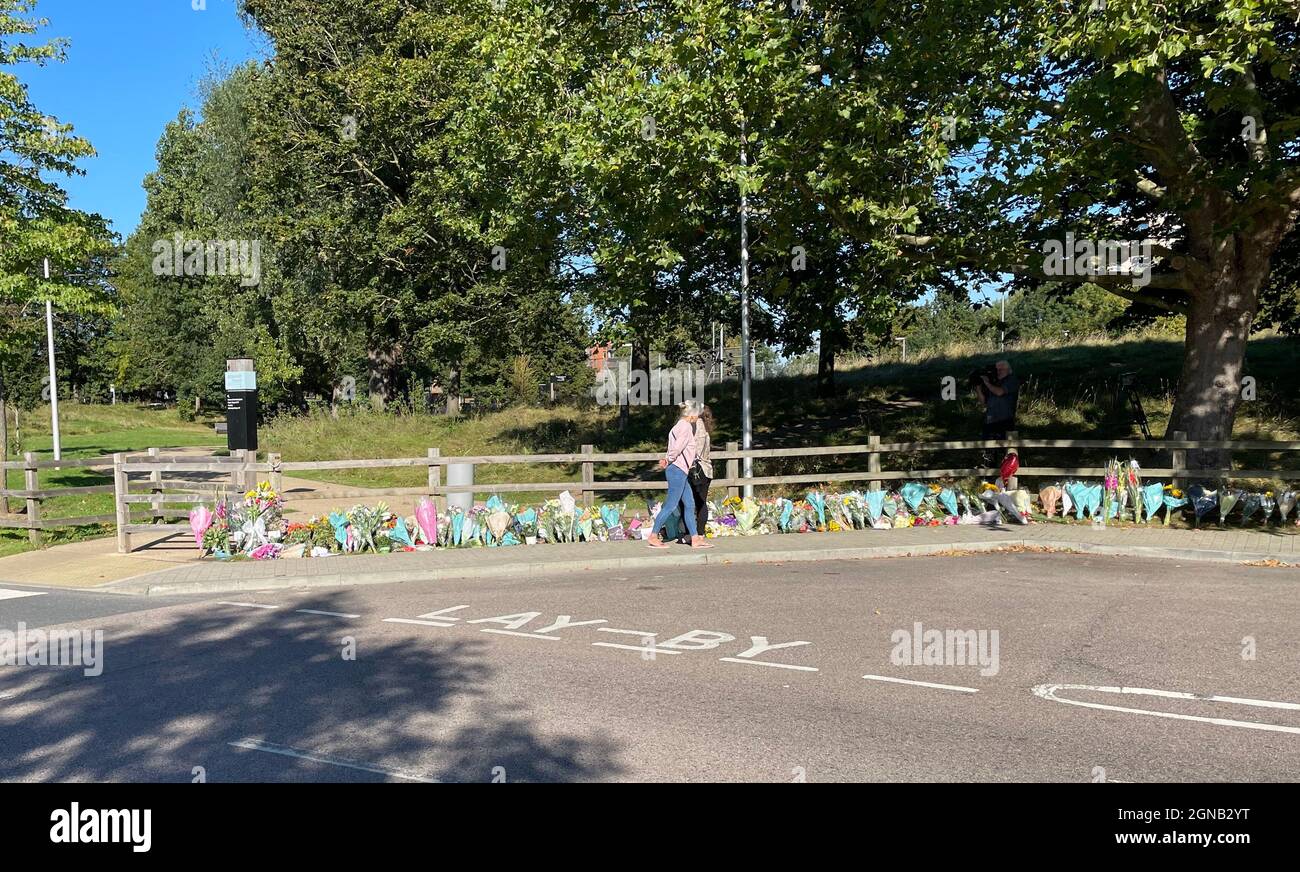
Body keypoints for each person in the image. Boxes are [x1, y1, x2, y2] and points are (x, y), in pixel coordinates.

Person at [647, 401, 712, 549]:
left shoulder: (678, 425)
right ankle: (653, 535)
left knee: (689, 505)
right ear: (691, 415)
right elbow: (677, 447)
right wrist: (668, 459)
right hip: (677, 470)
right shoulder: (686, 427)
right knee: (670, 505)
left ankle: (695, 538)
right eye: (697, 414)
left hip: (680, 470)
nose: (698, 417)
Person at [682, 402, 714, 542]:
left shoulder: (697, 427)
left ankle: (693, 534)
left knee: (689, 503)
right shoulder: (706, 428)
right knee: (701, 503)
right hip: (706, 469)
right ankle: (700, 533)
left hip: (696, 469)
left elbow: (694, 449)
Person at [976, 359, 1019, 440]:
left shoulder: (1011, 380)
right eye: (996, 370)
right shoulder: (994, 383)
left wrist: (987, 383)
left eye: (1001, 369)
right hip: (990, 421)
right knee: (987, 448)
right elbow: (983, 402)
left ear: (1008, 370)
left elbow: (1000, 392)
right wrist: (978, 386)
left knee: (1006, 449)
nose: (998, 372)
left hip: (1005, 421)